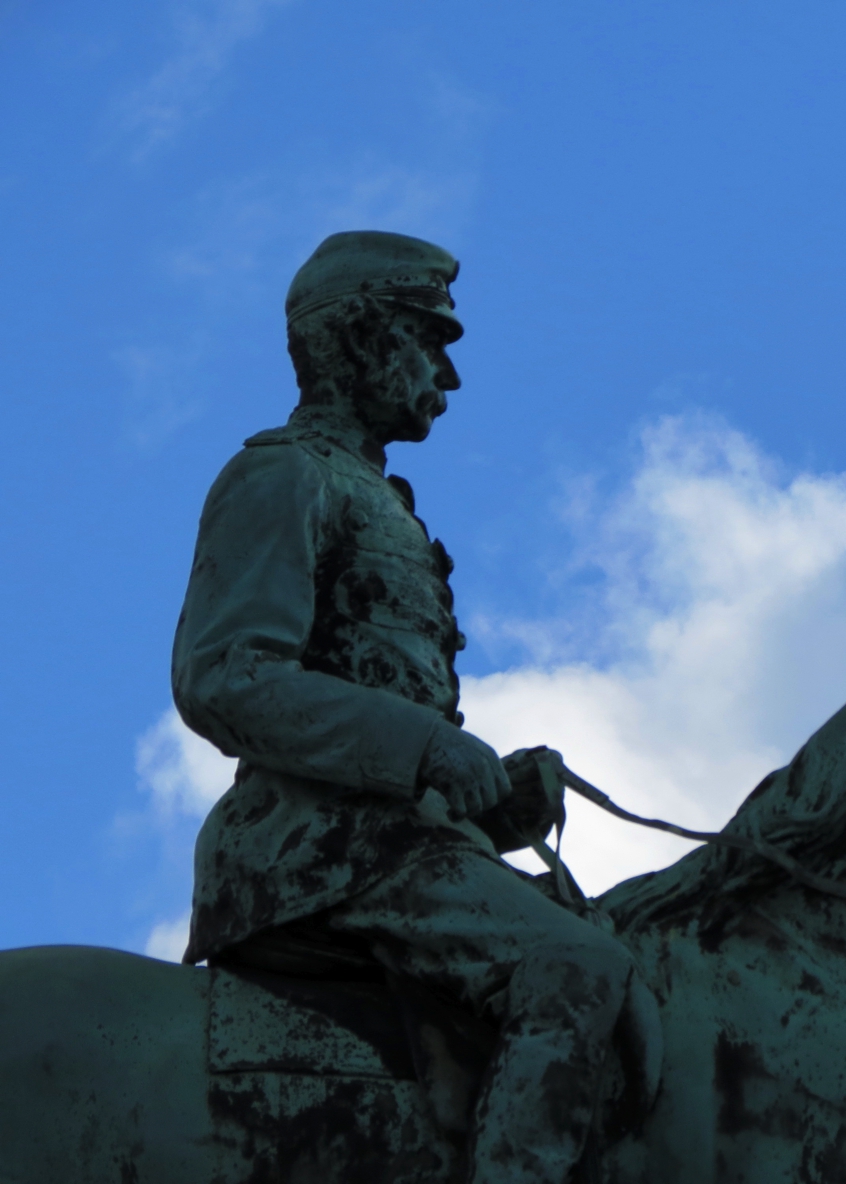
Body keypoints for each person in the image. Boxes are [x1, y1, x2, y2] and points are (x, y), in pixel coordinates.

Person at [173, 230, 647, 1182]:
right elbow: (225, 675)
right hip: (313, 851)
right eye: (430, 340)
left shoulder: (373, 495)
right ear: (356, 340)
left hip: (393, 846)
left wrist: (486, 797)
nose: (448, 374)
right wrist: (424, 746)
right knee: (576, 971)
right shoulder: (285, 476)